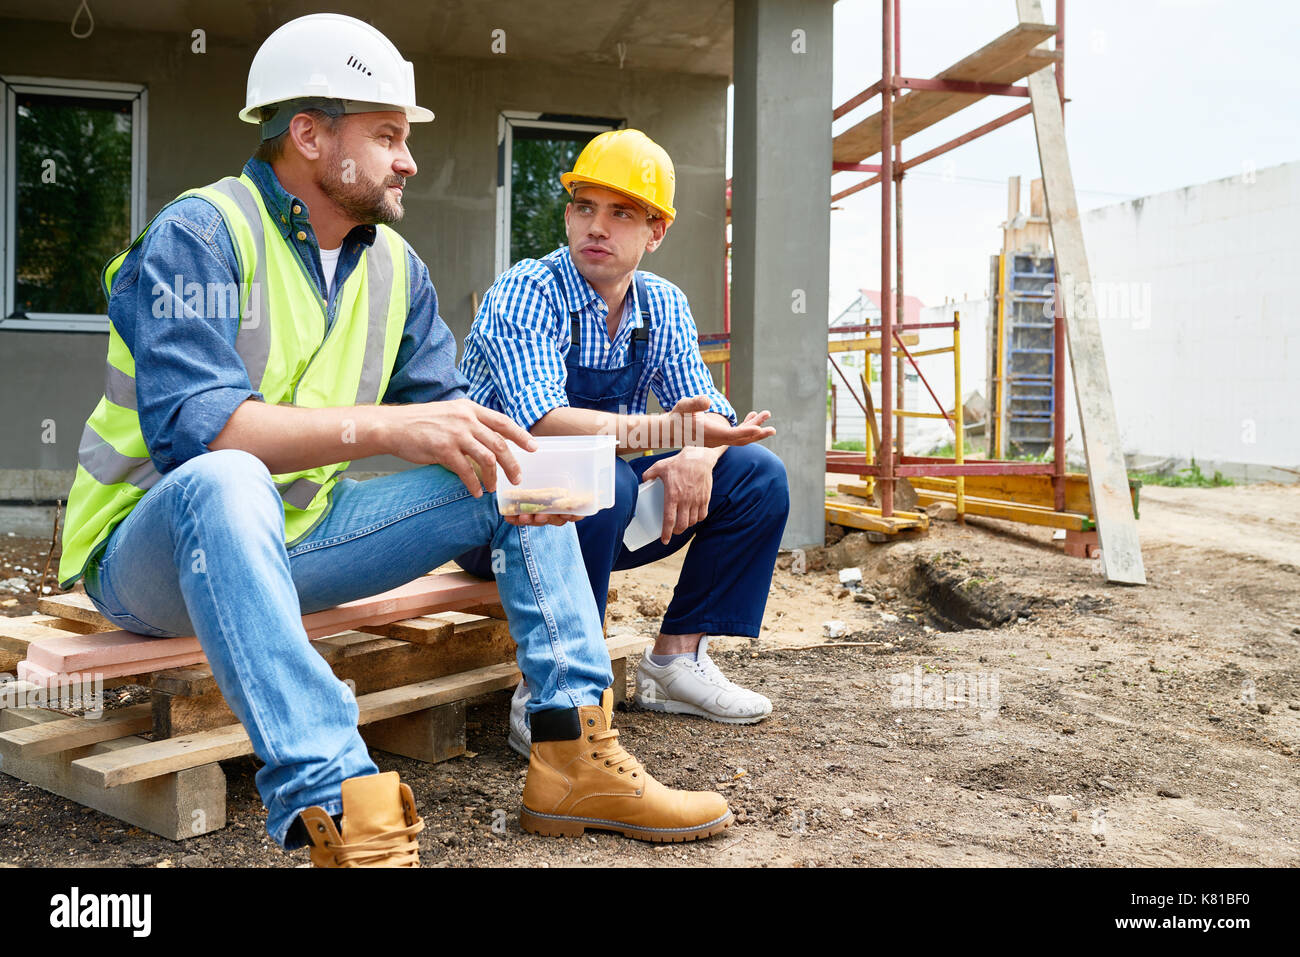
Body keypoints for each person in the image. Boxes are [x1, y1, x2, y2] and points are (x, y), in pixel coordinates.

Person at [56, 14, 732, 867]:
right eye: (386, 136)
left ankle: (571, 749)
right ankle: (337, 802)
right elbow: (206, 434)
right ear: (307, 134)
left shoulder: (394, 269)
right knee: (228, 479)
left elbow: (462, 426)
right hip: (154, 553)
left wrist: (613, 445)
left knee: (512, 465)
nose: (408, 160)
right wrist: (387, 426)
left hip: (308, 537)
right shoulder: (202, 235)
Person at [457, 129, 790, 750]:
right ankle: (552, 689)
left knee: (755, 474)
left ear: (655, 231)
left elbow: (712, 411)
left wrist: (696, 452)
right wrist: (675, 431)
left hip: (596, 516)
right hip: (496, 514)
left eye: (621, 213)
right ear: (567, 215)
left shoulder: (660, 304)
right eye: (584, 207)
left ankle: (674, 664)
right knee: (600, 478)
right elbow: (543, 422)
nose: (597, 227)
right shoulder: (528, 290)